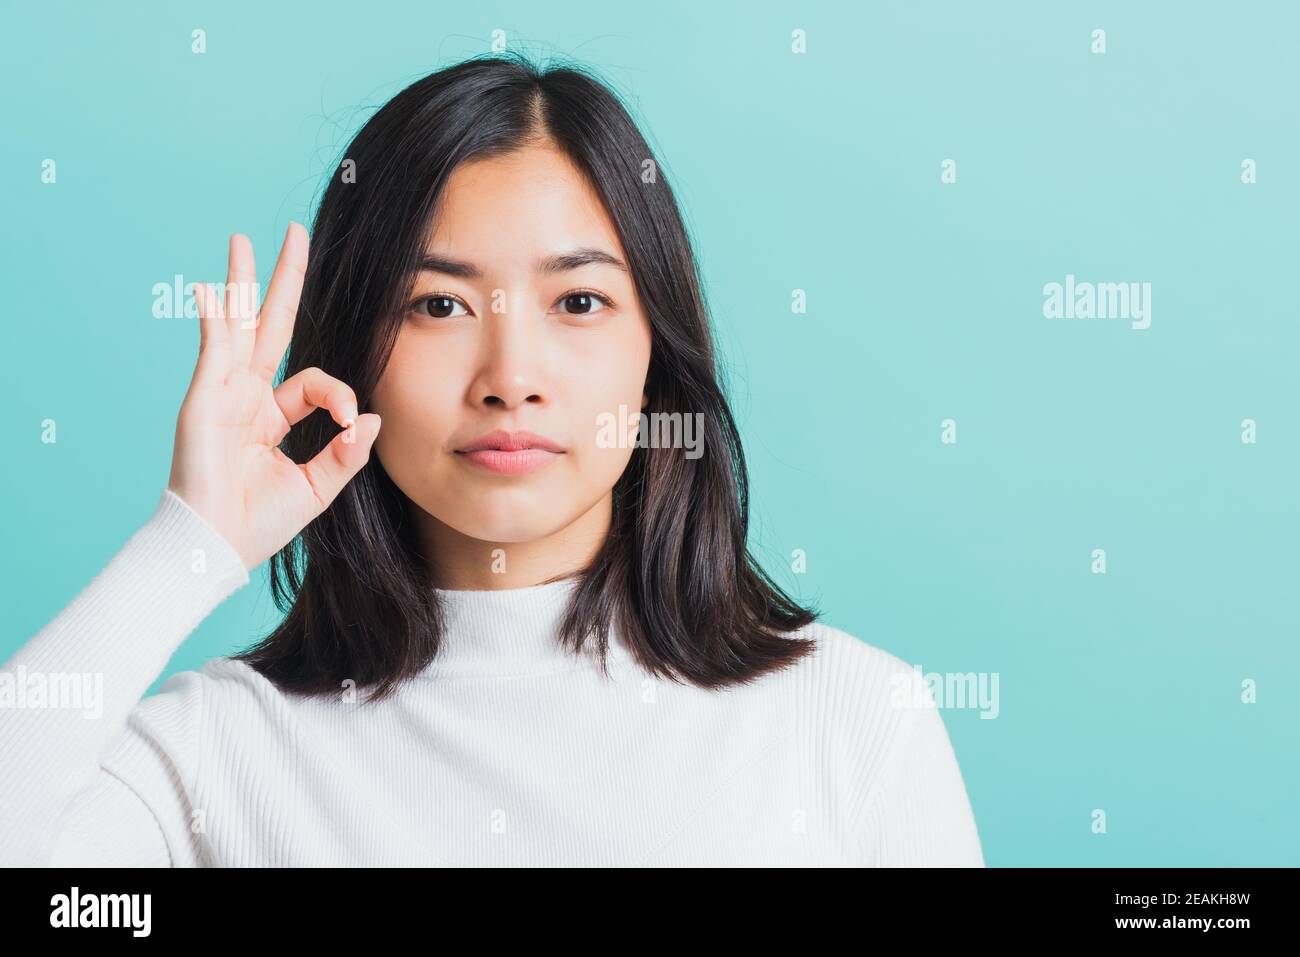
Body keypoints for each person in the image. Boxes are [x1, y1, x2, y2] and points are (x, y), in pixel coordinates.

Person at [0, 52, 984, 867]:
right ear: (356, 355)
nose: (510, 378)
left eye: (578, 302)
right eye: (439, 305)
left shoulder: (850, 723)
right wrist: (193, 540)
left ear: (657, 350)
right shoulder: (214, 755)